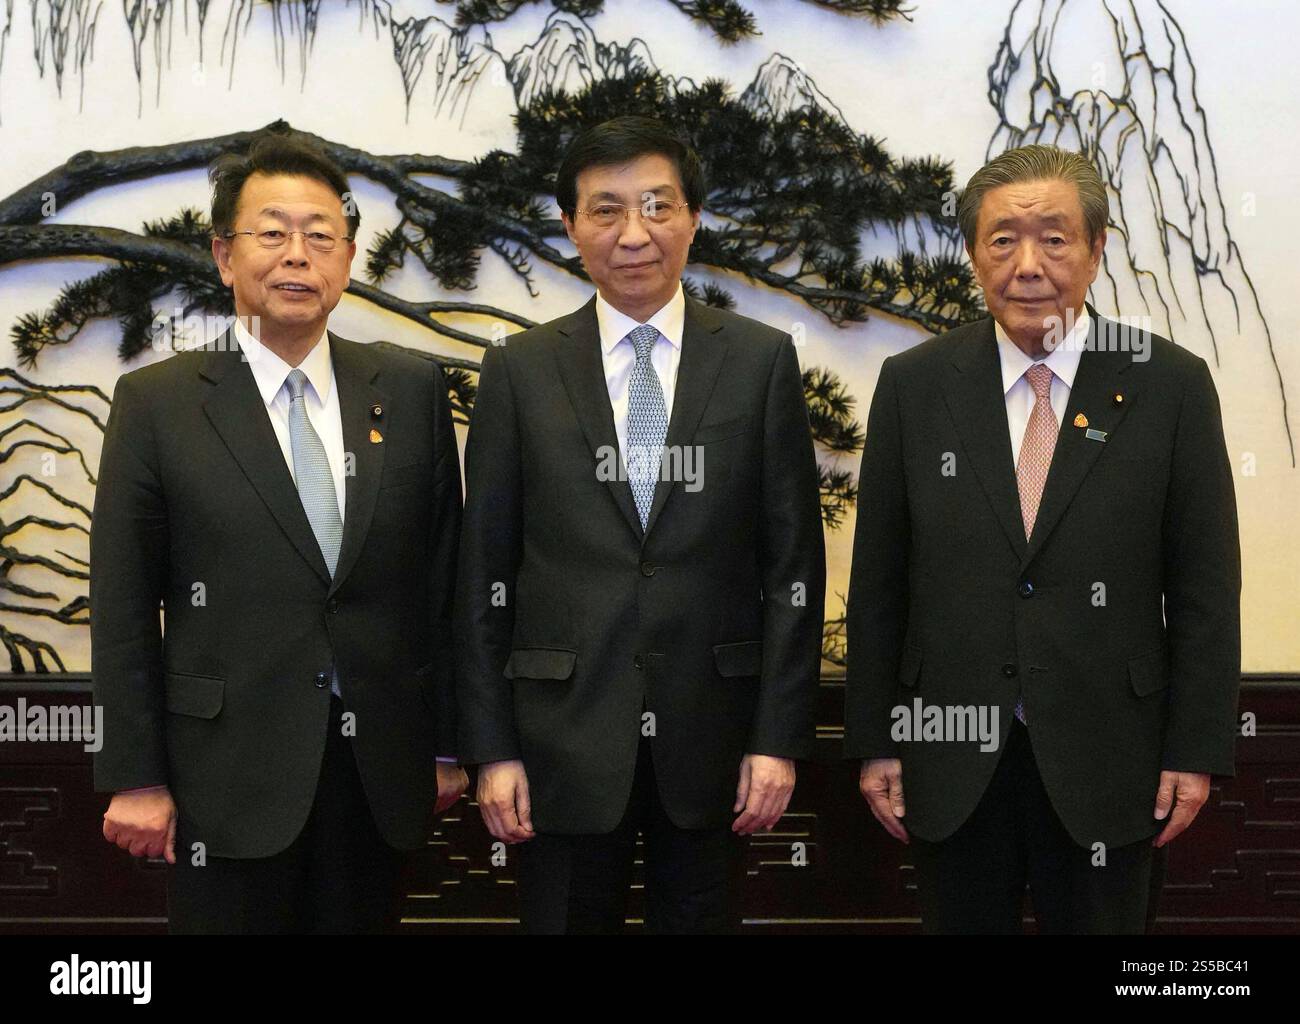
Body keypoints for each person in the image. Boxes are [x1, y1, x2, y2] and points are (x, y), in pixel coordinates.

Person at [845, 144, 1241, 933]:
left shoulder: (1170, 383)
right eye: (1002, 240)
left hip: (1114, 757)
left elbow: (1204, 588)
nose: (1029, 264)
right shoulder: (915, 385)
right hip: (950, 751)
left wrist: (1194, 750)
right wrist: (876, 741)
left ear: (1097, 250)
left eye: (1055, 239)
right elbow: (880, 581)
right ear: (972, 254)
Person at [455, 115, 825, 934]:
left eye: (657, 206)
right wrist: (492, 748)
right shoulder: (519, 369)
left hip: (715, 743)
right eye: (606, 210)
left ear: (694, 217)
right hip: (558, 743)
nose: (634, 234)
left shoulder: (761, 361)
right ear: (570, 226)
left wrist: (778, 739)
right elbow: (482, 571)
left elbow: (792, 568)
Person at [92, 130, 467, 933]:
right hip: (223, 775)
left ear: (348, 257)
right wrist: (136, 777)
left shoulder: (408, 389)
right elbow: (122, 607)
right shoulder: (157, 404)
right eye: (273, 233)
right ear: (226, 256)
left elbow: (445, 584)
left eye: (320, 235)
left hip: (378, 773)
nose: (298, 255)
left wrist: (447, 745)